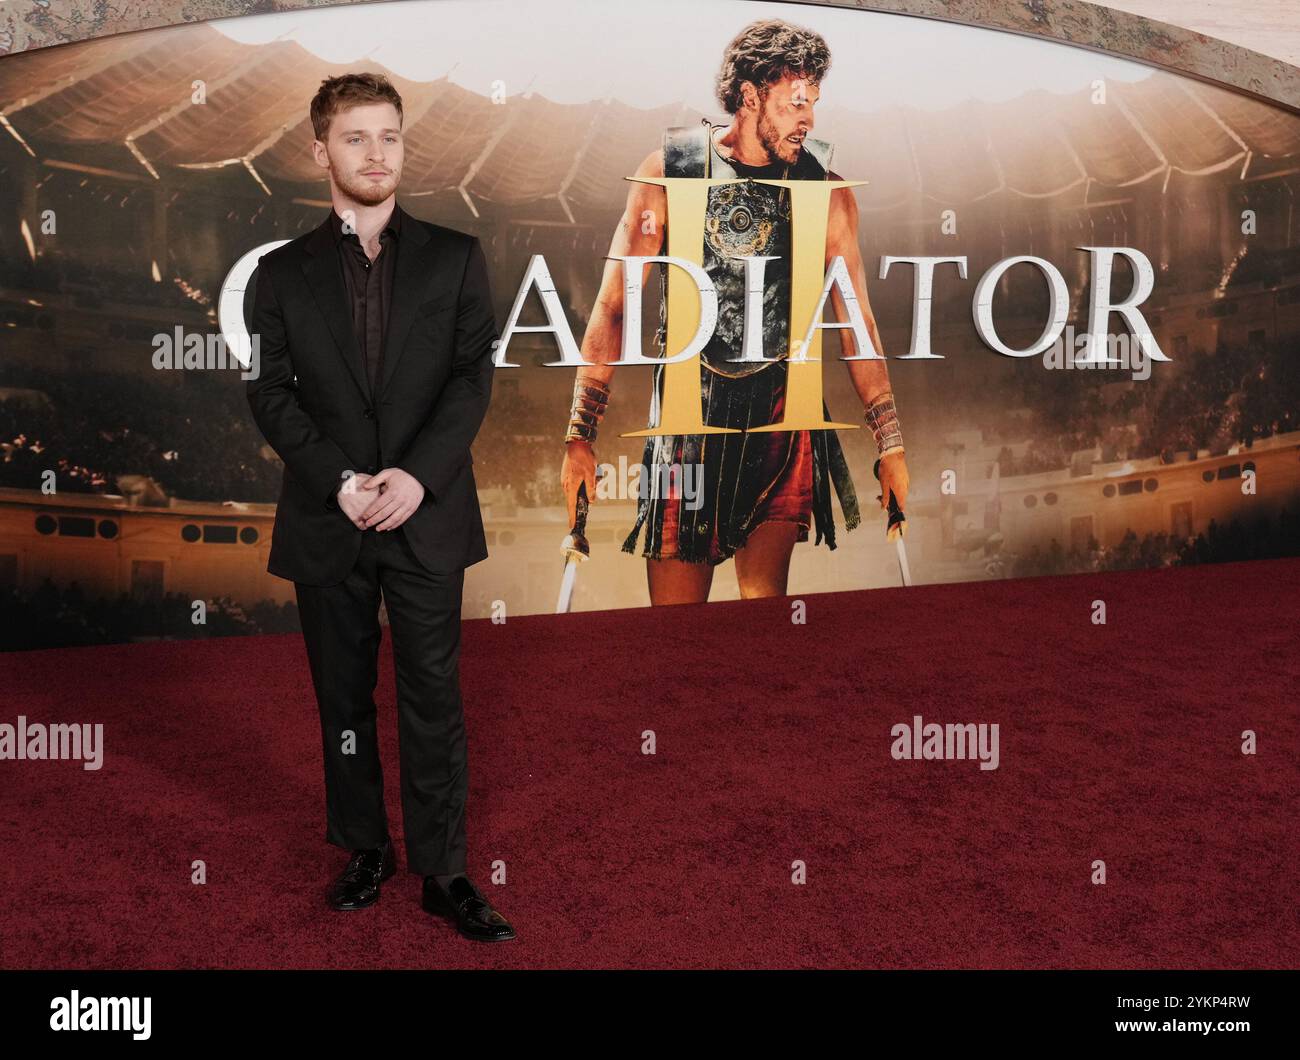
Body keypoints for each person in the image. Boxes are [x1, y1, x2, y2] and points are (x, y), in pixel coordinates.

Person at [246, 72, 513, 942]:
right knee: (342, 698)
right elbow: (271, 395)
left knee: (434, 695)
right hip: (331, 517)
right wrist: (340, 481)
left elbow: (473, 379)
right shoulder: (279, 274)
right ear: (319, 151)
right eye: (356, 138)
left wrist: (416, 478)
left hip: (425, 513)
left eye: (390, 136)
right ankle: (364, 848)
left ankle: (445, 870)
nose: (376, 153)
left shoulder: (455, 256)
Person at [560, 18, 911, 603]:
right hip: (688, 421)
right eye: (796, 101)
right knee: (678, 632)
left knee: (763, 617)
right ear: (751, 95)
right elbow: (616, 303)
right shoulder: (669, 170)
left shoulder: (825, 186)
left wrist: (890, 444)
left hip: (782, 416)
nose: (810, 119)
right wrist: (580, 434)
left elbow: (856, 322)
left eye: (814, 102)